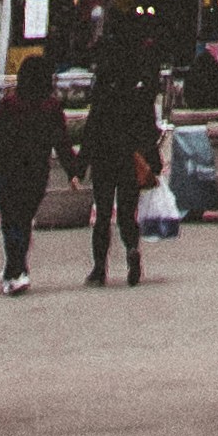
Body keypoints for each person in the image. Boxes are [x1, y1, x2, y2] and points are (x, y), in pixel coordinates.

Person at [75, 34, 158, 288]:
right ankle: (132, 248)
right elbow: (149, 131)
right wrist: (151, 159)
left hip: (103, 158)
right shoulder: (139, 93)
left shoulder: (102, 93)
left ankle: (100, 268)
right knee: (126, 214)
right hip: (129, 158)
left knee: (102, 215)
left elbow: (91, 130)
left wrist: (79, 166)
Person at [0, 50, 63, 294]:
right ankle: (17, 268)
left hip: (9, 171)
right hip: (37, 173)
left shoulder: (10, 104)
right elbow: (62, 142)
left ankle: (15, 268)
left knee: (10, 222)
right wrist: (75, 169)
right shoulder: (52, 107)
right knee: (24, 221)